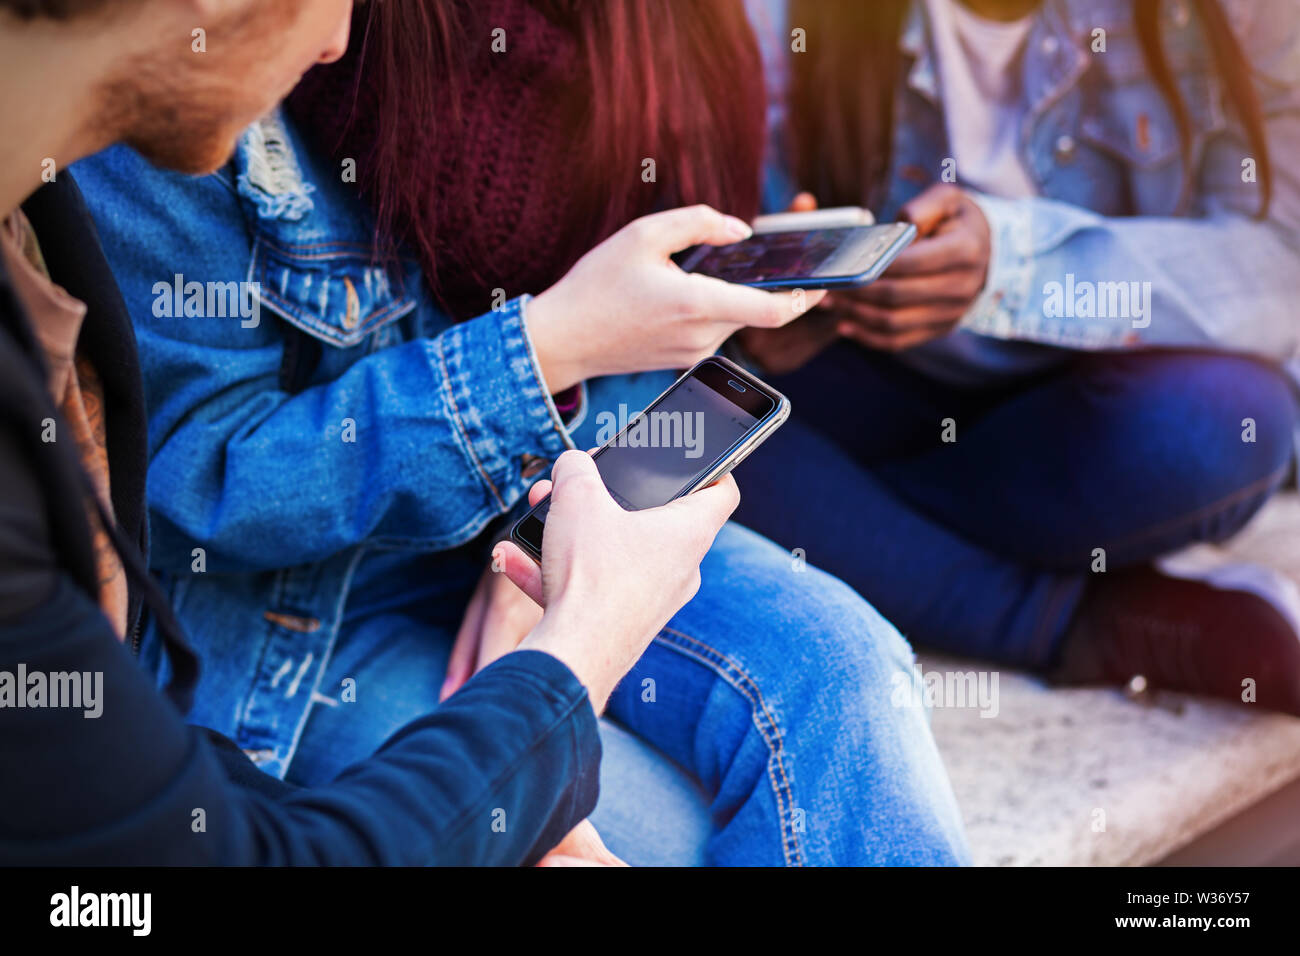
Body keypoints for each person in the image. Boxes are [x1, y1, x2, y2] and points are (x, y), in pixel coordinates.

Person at [72, 0, 972, 865]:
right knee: (670, 843)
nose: (335, 40)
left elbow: (640, 354)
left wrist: (544, 518)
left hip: (552, 517)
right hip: (307, 619)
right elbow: (198, 482)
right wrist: (545, 350)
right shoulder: (221, 58)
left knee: (848, 670)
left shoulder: (675, 32)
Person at [0, 0, 745, 866]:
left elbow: (155, 788)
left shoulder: (39, 219)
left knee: (845, 667)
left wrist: (496, 775)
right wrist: (580, 654)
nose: (339, 41)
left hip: (499, 555)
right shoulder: (154, 155)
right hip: (289, 631)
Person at [731, 0, 1300, 713]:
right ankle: (1070, 619)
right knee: (679, 429)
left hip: (1089, 408)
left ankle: (879, 540)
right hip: (864, 385)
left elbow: (1283, 264)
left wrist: (1017, 270)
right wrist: (761, 308)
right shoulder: (770, 18)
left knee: (1222, 426)